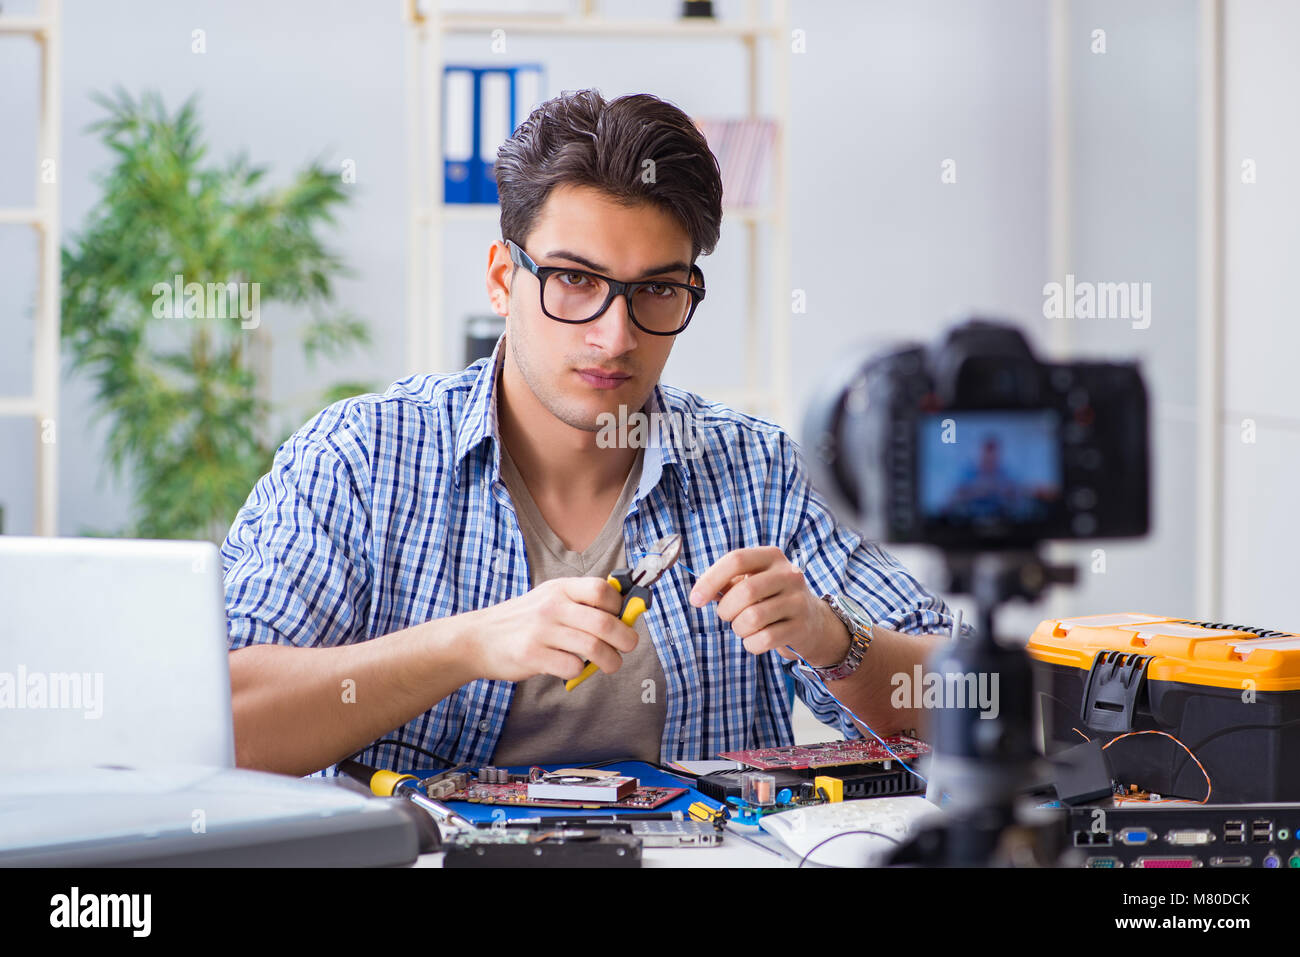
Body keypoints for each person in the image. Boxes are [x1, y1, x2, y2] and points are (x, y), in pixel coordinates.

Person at [221, 89, 963, 778]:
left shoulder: (755, 469)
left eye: (657, 290)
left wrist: (831, 638)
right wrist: (466, 643)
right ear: (501, 279)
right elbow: (222, 722)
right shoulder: (361, 455)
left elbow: (970, 695)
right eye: (575, 280)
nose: (615, 335)